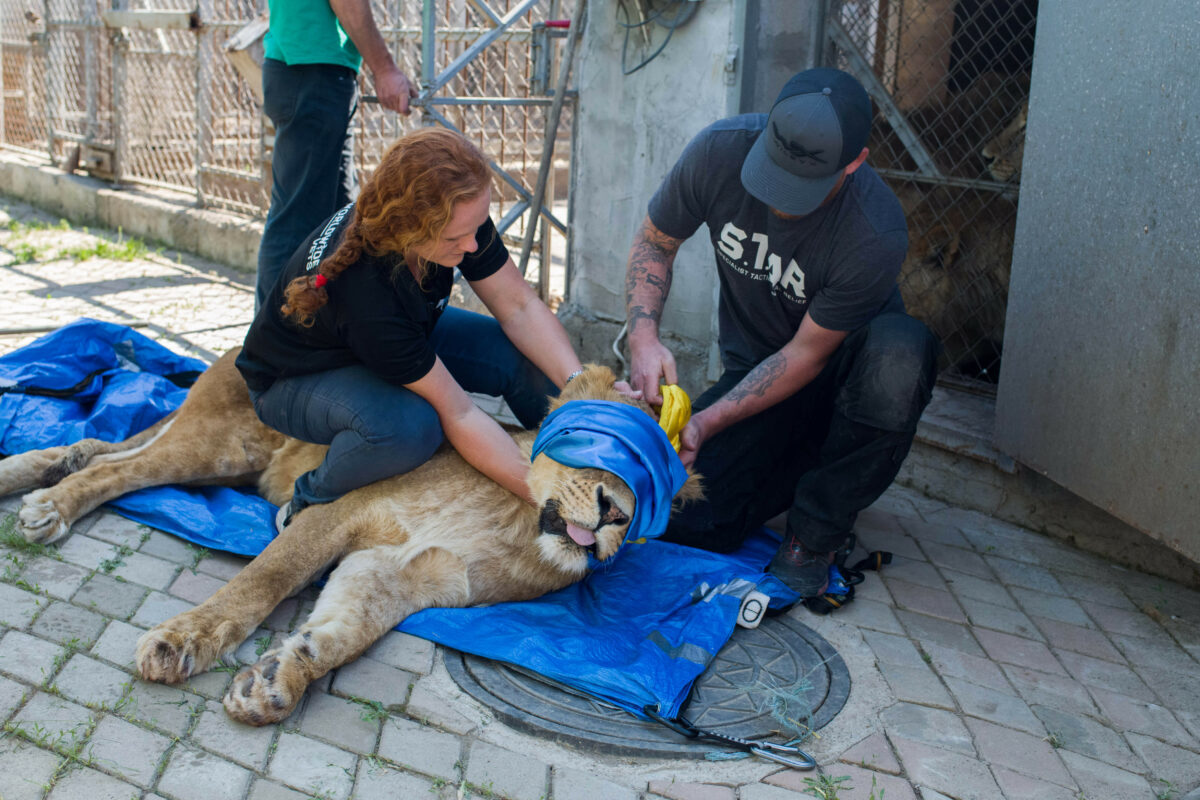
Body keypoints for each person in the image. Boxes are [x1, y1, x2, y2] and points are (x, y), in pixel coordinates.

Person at [623, 68, 941, 598]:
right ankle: (796, 470)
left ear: (855, 162)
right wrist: (643, 337)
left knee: (901, 353)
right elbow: (656, 241)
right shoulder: (718, 151)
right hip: (759, 379)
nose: (779, 201)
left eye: (802, 187)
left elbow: (806, 356)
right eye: (773, 172)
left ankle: (818, 530)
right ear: (767, 128)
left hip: (841, 385)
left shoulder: (874, 229)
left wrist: (706, 420)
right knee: (688, 519)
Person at [236, 128, 585, 528]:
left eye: (478, 227)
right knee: (410, 428)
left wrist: (580, 390)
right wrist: (553, 502)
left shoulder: (457, 214)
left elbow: (520, 307)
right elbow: (461, 414)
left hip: (387, 337)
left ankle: (576, 453)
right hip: (293, 380)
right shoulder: (367, 294)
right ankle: (309, 502)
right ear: (410, 229)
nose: (474, 246)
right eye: (458, 237)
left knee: (526, 357)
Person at [255, 0, 418, 309]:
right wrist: (385, 69)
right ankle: (273, 340)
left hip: (307, 68)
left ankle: (333, 327)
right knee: (296, 222)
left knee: (338, 217)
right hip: (311, 71)